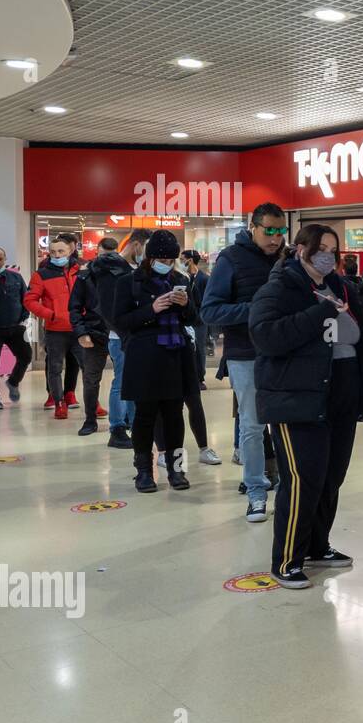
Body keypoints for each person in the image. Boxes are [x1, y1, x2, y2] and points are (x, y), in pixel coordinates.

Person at [249, 224, 363, 589]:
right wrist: (316, 315)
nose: (327, 256)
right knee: (302, 481)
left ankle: (318, 545)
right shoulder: (279, 288)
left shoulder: (340, 286)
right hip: (297, 400)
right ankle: (287, 558)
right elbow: (265, 336)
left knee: (329, 478)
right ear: (300, 249)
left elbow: (356, 334)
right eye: (320, 248)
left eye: (333, 251)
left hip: (339, 397)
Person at [201, 203, 288, 522]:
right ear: (253, 227)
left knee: (285, 423)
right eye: (270, 230)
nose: (276, 238)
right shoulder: (230, 259)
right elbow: (210, 311)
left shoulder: (287, 258)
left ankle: (285, 485)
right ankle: (255, 490)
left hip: (284, 354)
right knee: (252, 425)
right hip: (245, 355)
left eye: (281, 231)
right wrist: (255, 309)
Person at [114, 231, 197, 492]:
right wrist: (151, 310)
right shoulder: (129, 282)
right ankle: (144, 471)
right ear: (149, 257)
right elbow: (120, 321)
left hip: (175, 355)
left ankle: (177, 469)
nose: (167, 263)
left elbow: (194, 317)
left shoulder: (180, 280)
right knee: (145, 415)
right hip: (144, 357)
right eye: (161, 258)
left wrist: (184, 305)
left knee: (175, 414)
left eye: (171, 259)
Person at [67, 237, 123, 435]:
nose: (108, 259)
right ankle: (90, 420)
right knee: (91, 380)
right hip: (93, 334)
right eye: (104, 255)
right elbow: (74, 307)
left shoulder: (125, 274)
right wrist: (81, 333)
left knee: (123, 379)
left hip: (120, 333)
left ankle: (122, 420)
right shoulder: (85, 276)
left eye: (112, 254)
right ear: (97, 252)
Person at [100, 229, 150, 447]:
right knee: (121, 382)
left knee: (134, 381)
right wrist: (124, 333)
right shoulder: (113, 269)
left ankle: (133, 422)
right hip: (119, 336)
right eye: (146, 248)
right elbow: (109, 308)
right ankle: (117, 427)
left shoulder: (139, 269)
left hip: (137, 334)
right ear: (137, 245)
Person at [24, 233, 81, 420]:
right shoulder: (41, 275)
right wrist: (51, 315)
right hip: (55, 330)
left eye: (61, 251)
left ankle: (89, 402)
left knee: (87, 367)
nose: (57, 255)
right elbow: (30, 301)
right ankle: (58, 402)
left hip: (80, 329)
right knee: (54, 368)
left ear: (69, 250)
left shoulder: (81, 271)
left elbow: (91, 297)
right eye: (53, 252)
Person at [0, 246, 30, 410]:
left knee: (26, 356)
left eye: (0, 259)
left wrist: (24, 318)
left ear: (5, 259)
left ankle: (13, 382)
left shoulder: (15, 277)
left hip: (15, 327)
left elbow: (26, 298)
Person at [179, 250, 210, 389]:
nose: (181, 262)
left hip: (199, 320)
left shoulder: (203, 279)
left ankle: (200, 377)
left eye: (182, 259)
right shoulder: (182, 277)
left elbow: (206, 300)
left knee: (200, 348)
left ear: (190, 260)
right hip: (186, 319)